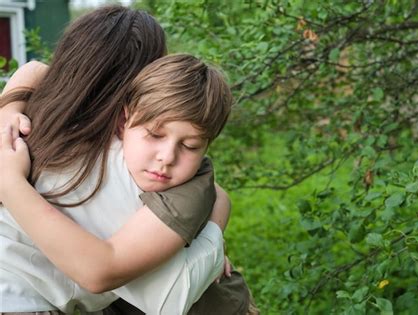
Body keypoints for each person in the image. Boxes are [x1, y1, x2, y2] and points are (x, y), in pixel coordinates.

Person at [0, 5, 255, 315]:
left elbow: (36, 69)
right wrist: (211, 232)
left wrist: (10, 109)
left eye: (188, 145)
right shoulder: (139, 162)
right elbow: (106, 273)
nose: (167, 156)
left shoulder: (34, 123)